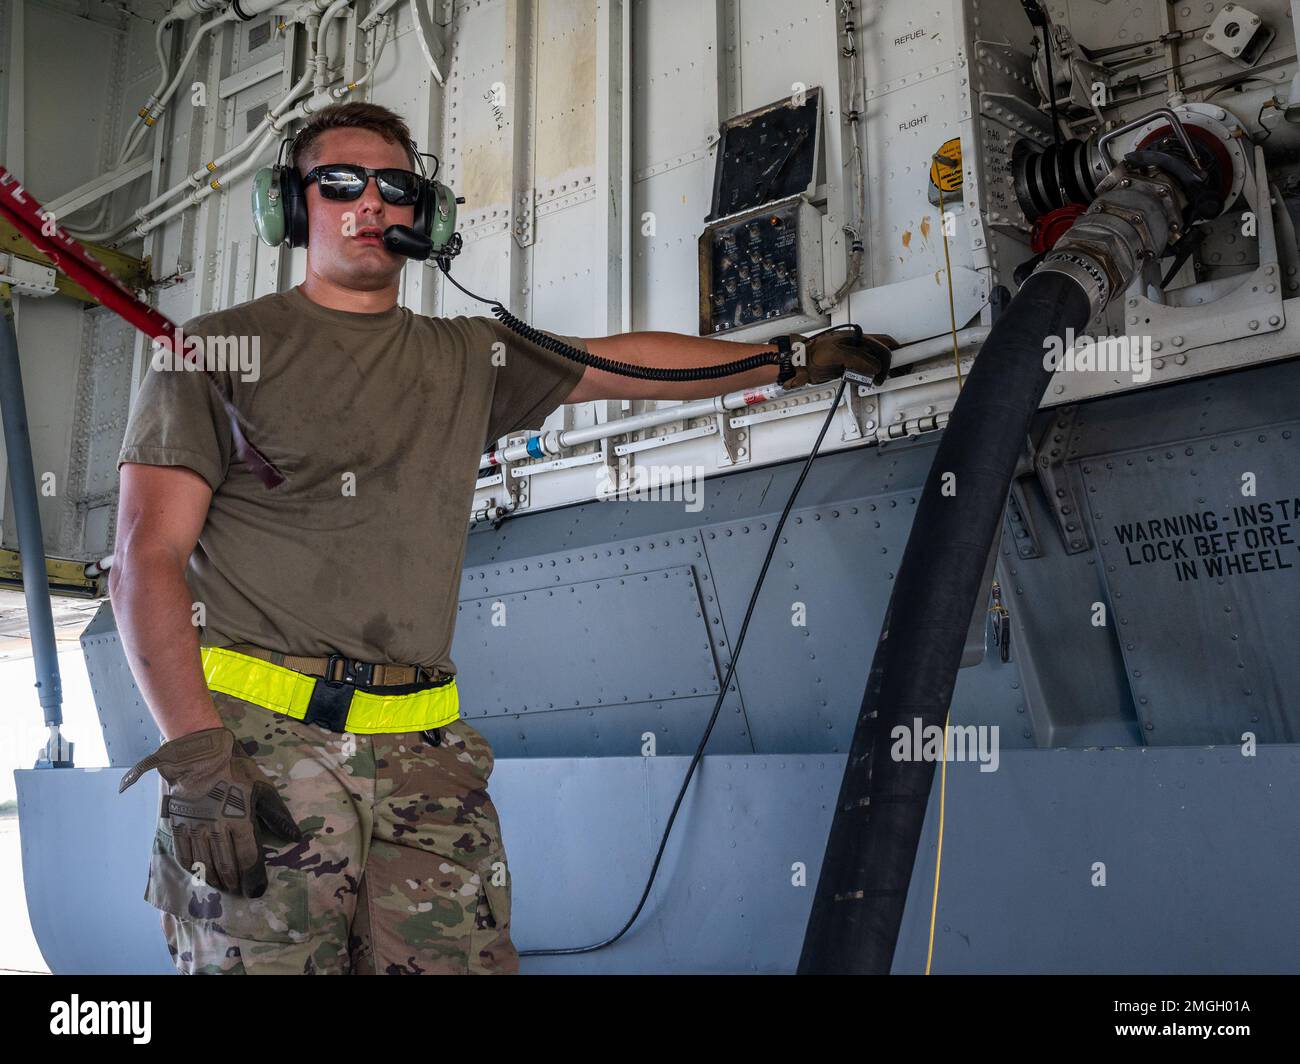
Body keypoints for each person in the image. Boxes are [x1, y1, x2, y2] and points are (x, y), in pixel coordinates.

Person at [111, 101, 890, 974]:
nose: (370, 202)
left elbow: (615, 364)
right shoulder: (215, 352)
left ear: (425, 215)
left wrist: (782, 361)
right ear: (291, 210)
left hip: (426, 760)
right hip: (261, 750)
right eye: (339, 183)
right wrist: (197, 759)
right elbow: (145, 563)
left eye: (395, 186)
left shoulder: (469, 355)